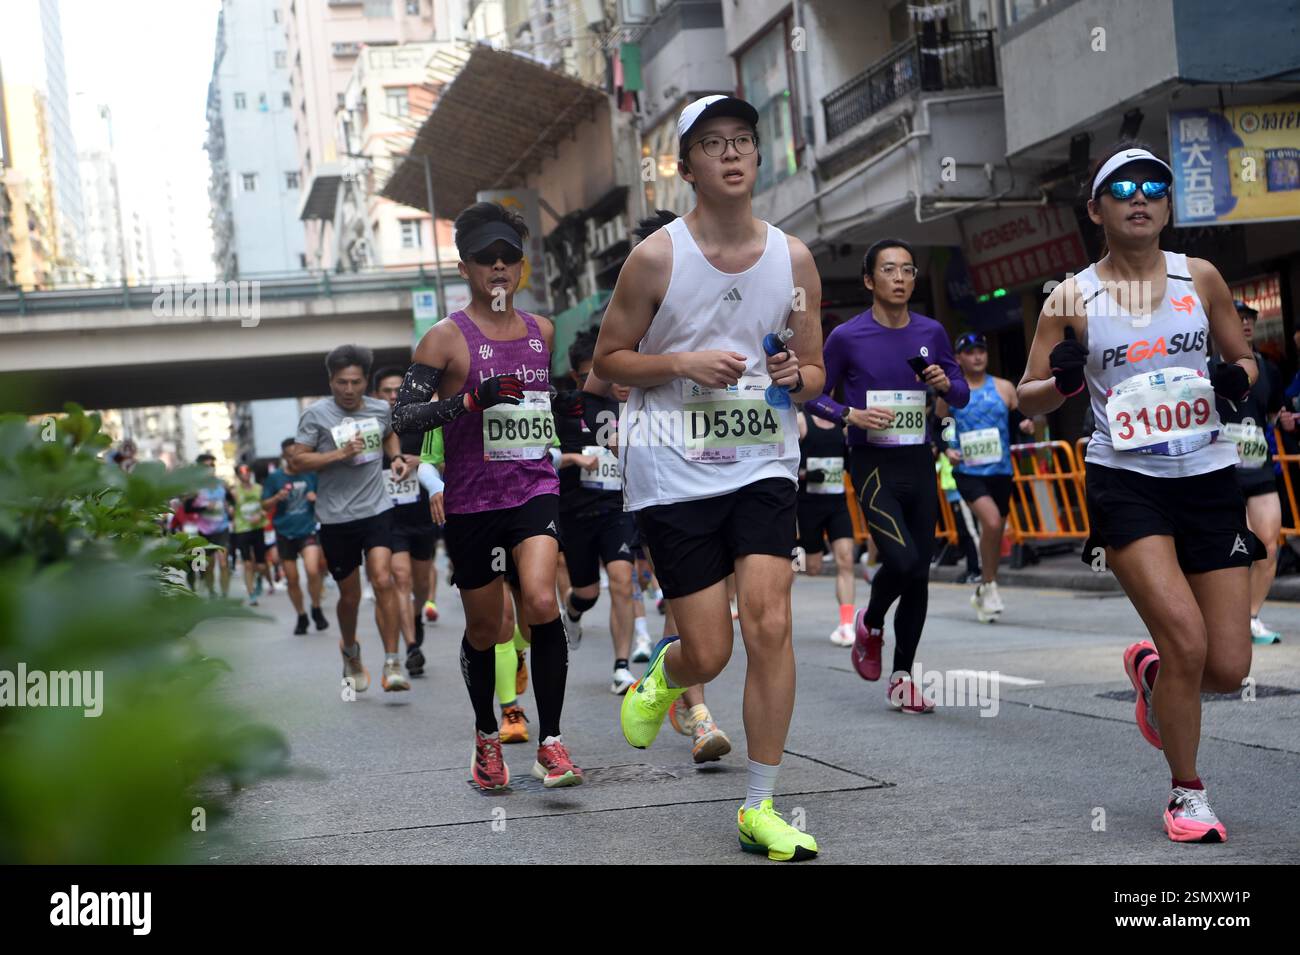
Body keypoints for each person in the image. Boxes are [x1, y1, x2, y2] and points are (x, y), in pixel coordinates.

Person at [594, 95, 824, 860]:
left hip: (760, 458)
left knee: (770, 622)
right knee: (711, 651)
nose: (731, 154)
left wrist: (797, 372)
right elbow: (609, 361)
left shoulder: (792, 259)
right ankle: (666, 675)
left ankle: (760, 803)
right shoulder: (657, 257)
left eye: (743, 141)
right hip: (671, 469)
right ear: (686, 165)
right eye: (712, 144)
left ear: (757, 157)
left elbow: (815, 372)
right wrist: (681, 362)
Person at [1017, 142, 1260, 843]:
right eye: (1121, 187)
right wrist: (1061, 379)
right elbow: (1029, 398)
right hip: (1128, 481)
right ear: (1096, 210)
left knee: (1228, 663)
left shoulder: (1201, 276)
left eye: (1154, 184)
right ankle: (1188, 794)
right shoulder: (1072, 295)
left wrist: (1239, 379)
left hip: (1209, 473)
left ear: (1168, 204)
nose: (1140, 196)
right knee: (1186, 640)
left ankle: (1151, 676)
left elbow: (1241, 355)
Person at [392, 200, 582, 791]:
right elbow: (404, 417)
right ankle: (486, 738)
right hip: (473, 501)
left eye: (510, 259)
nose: (499, 268)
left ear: (522, 268)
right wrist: (469, 402)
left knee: (541, 601)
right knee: (484, 630)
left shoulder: (541, 332)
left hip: (533, 489)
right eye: (486, 259)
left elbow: (546, 408)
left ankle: (550, 742)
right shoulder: (444, 339)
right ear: (465, 268)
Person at [807, 239, 969, 712]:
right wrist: (849, 416)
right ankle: (870, 621)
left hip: (919, 461)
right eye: (889, 270)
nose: (900, 278)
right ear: (869, 280)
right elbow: (812, 396)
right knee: (901, 560)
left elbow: (959, 394)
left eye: (907, 270)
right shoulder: (847, 337)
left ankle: (902, 678)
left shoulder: (932, 331)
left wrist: (944, 384)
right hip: (872, 462)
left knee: (918, 573)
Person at [288, 345, 415, 694]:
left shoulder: (378, 409)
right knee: (350, 596)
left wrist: (398, 457)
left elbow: (389, 435)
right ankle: (350, 650)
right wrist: (339, 454)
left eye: (356, 382)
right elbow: (298, 462)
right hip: (335, 517)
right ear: (330, 381)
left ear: (365, 383)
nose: (348, 390)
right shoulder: (315, 416)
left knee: (383, 578)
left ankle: (392, 663)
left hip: (376, 508)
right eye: (341, 382)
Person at [553, 329, 640, 694]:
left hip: (617, 509)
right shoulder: (565, 407)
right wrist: (572, 458)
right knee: (587, 593)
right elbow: (538, 452)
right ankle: (572, 611)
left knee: (622, 580)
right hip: (574, 511)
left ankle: (622, 666)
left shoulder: (638, 406)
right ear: (581, 375)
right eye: (607, 371)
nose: (618, 380)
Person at [937, 332, 1020, 623]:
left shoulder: (1004, 388)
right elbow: (942, 424)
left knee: (996, 531)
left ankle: (985, 584)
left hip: (1001, 470)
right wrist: (947, 447)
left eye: (981, 351)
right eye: (970, 352)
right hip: (968, 472)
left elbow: (1019, 420)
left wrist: (1027, 424)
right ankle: (991, 586)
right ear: (959, 358)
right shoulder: (951, 391)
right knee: (992, 521)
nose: (977, 356)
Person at [1214, 301, 1284, 644]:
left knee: (1269, 547)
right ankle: (1227, 620)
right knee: (1237, 548)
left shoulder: (1267, 369)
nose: (1244, 325)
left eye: (1249, 320)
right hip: (1223, 473)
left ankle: (1251, 617)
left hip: (1258, 467)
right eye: (1238, 319)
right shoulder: (1206, 368)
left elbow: (1273, 413)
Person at [373, 368, 443, 676]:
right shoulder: (371, 430)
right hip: (389, 518)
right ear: (377, 394)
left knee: (421, 583)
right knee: (399, 578)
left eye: (396, 390)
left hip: (421, 514)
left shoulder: (422, 422)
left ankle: (414, 619)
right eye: (386, 391)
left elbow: (445, 459)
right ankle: (412, 647)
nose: (391, 396)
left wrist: (421, 462)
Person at [794, 406, 856, 644]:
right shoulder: (801, 421)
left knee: (846, 560)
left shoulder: (844, 424)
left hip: (837, 504)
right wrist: (805, 474)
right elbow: (786, 460)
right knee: (813, 568)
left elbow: (850, 462)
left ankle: (846, 624)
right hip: (808, 506)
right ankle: (787, 562)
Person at [262, 440, 329, 635]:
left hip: (308, 529)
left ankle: (316, 607)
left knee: (313, 570)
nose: (294, 458)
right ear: (284, 457)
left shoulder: (311, 474)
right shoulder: (275, 478)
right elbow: (264, 505)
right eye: (290, 455)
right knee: (292, 579)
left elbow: (325, 495)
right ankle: (301, 615)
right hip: (284, 532)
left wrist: (316, 498)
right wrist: (276, 498)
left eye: (297, 454)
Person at [184, 453, 235, 598]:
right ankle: (212, 591)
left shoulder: (221, 484)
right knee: (209, 565)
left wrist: (230, 507)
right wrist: (205, 508)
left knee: (224, 563)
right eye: (206, 466)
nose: (210, 469)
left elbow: (232, 501)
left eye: (212, 465)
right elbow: (187, 508)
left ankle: (225, 594)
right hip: (205, 531)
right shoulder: (195, 487)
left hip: (222, 527)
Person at [231, 464, 272, 606]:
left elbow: (266, 506)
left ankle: (260, 580)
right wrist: (230, 509)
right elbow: (229, 508)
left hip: (258, 528)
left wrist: (261, 514)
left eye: (247, 471)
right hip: (242, 530)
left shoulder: (259, 489)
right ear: (238, 475)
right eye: (242, 472)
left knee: (261, 566)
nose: (245, 474)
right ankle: (252, 594)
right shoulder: (234, 491)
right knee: (247, 564)